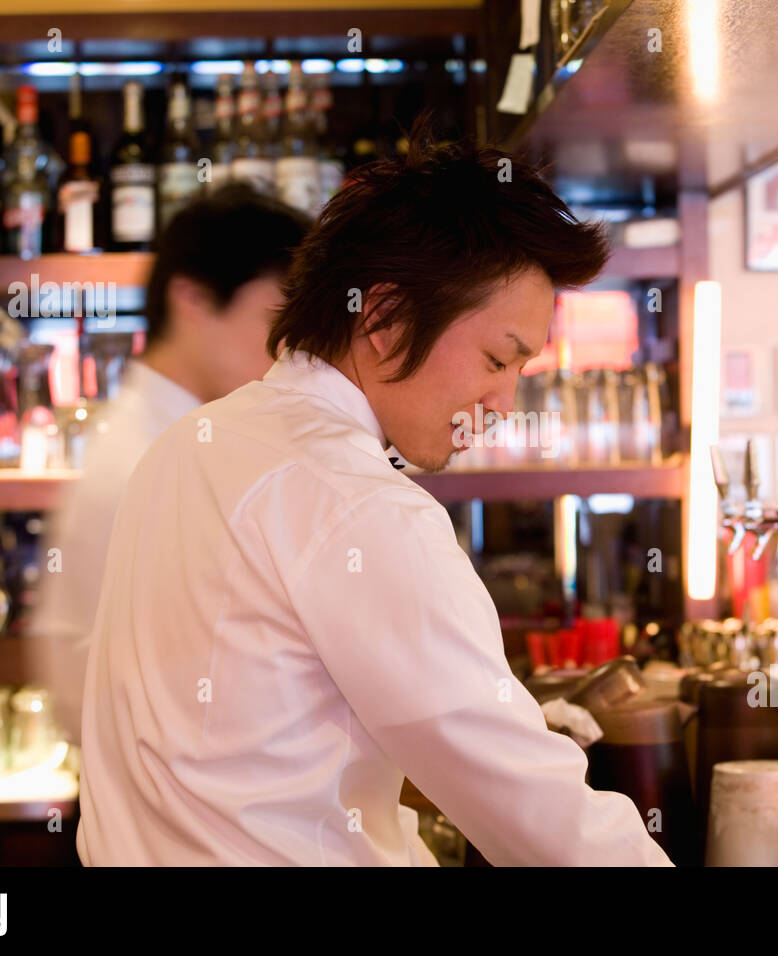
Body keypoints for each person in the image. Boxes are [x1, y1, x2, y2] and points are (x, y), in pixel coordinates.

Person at [76, 115, 672, 866]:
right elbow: (544, 820)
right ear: (386, 320)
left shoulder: (188, 446)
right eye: (498, 358)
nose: (504, 402)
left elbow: (255, 751)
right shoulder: (358, 504)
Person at [32, 183, 312, 746]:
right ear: (193, 300)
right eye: (277, 317)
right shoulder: (153, 457)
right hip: (169, 816)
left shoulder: (190, 435)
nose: (291, 349)